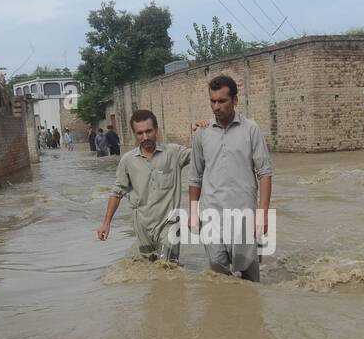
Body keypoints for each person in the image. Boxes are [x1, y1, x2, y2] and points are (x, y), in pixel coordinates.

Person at [187, 74, 273, 282]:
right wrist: (193, 212)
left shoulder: (251, 129)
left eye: (222, 101)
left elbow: (264, 173)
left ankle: (250, 312)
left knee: (249, 273)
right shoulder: (201, 133)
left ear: (235, 100)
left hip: (244, 213)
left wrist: (262, 213)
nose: (216, 107)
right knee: (217, 270)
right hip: (212, 214)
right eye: (213, 101)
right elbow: (195, 176)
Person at [98, 110, 192, 263]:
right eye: (140, 133)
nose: (145, 137)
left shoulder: (174, 153)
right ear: (135, 134)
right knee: (149, 270)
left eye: (149, 131)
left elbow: (202, 155)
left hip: (169, 225)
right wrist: (106, 223)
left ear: (156, 130)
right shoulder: (128, 161)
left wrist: (204, 132)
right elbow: (117, 192)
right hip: (142, 227)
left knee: (167, 267)